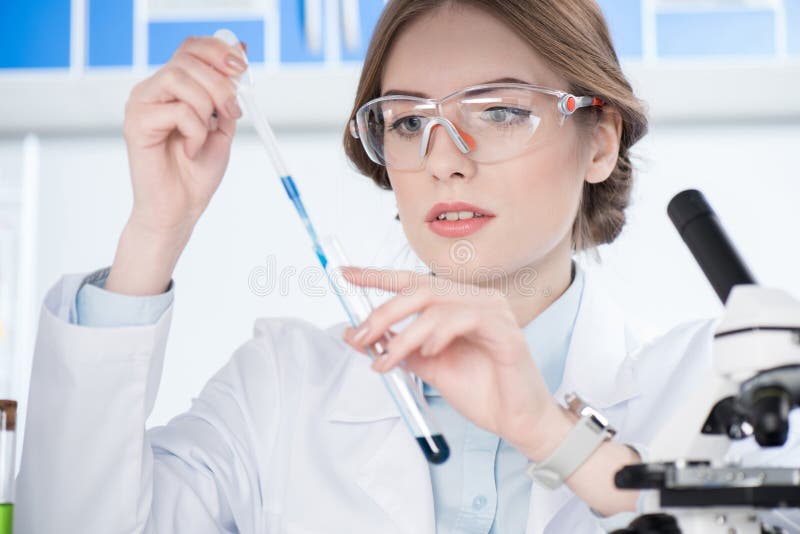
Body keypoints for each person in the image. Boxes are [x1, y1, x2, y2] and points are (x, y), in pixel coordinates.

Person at [14, 1, 797, 533]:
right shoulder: (286, 388)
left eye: (499, 110)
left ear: (597, 140)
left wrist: (547, 431)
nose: (444, 161)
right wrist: (158, 224)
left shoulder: (721, 387)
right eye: (411, 120)